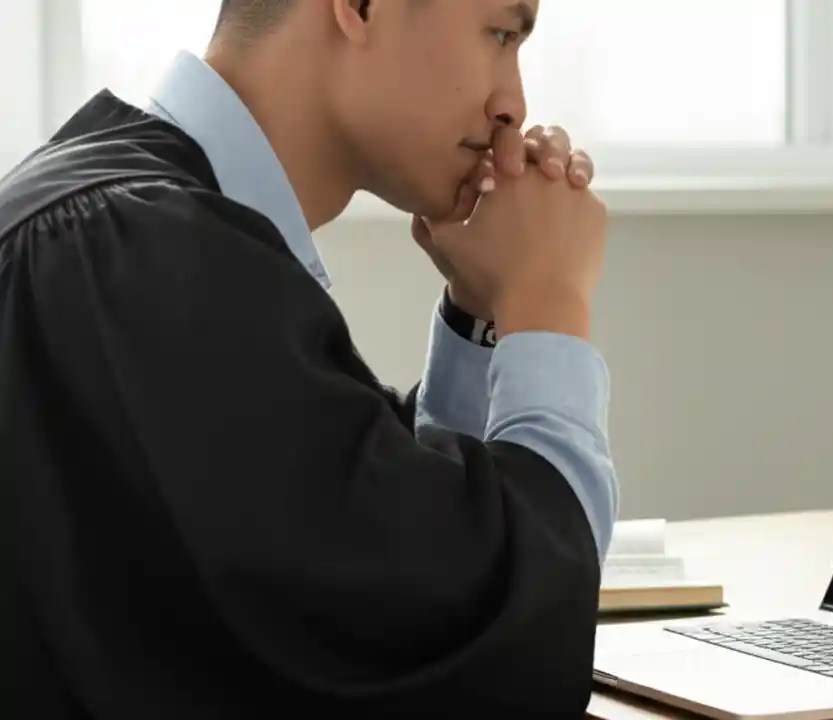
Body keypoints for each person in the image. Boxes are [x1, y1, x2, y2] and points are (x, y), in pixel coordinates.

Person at [1, 0, 619, 716]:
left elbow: (376, 535)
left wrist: (484, 315)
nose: (513, 104)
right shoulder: (145, 251)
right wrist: (548, 301)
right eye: (501, 34)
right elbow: (469, 628)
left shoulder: (131, 221)